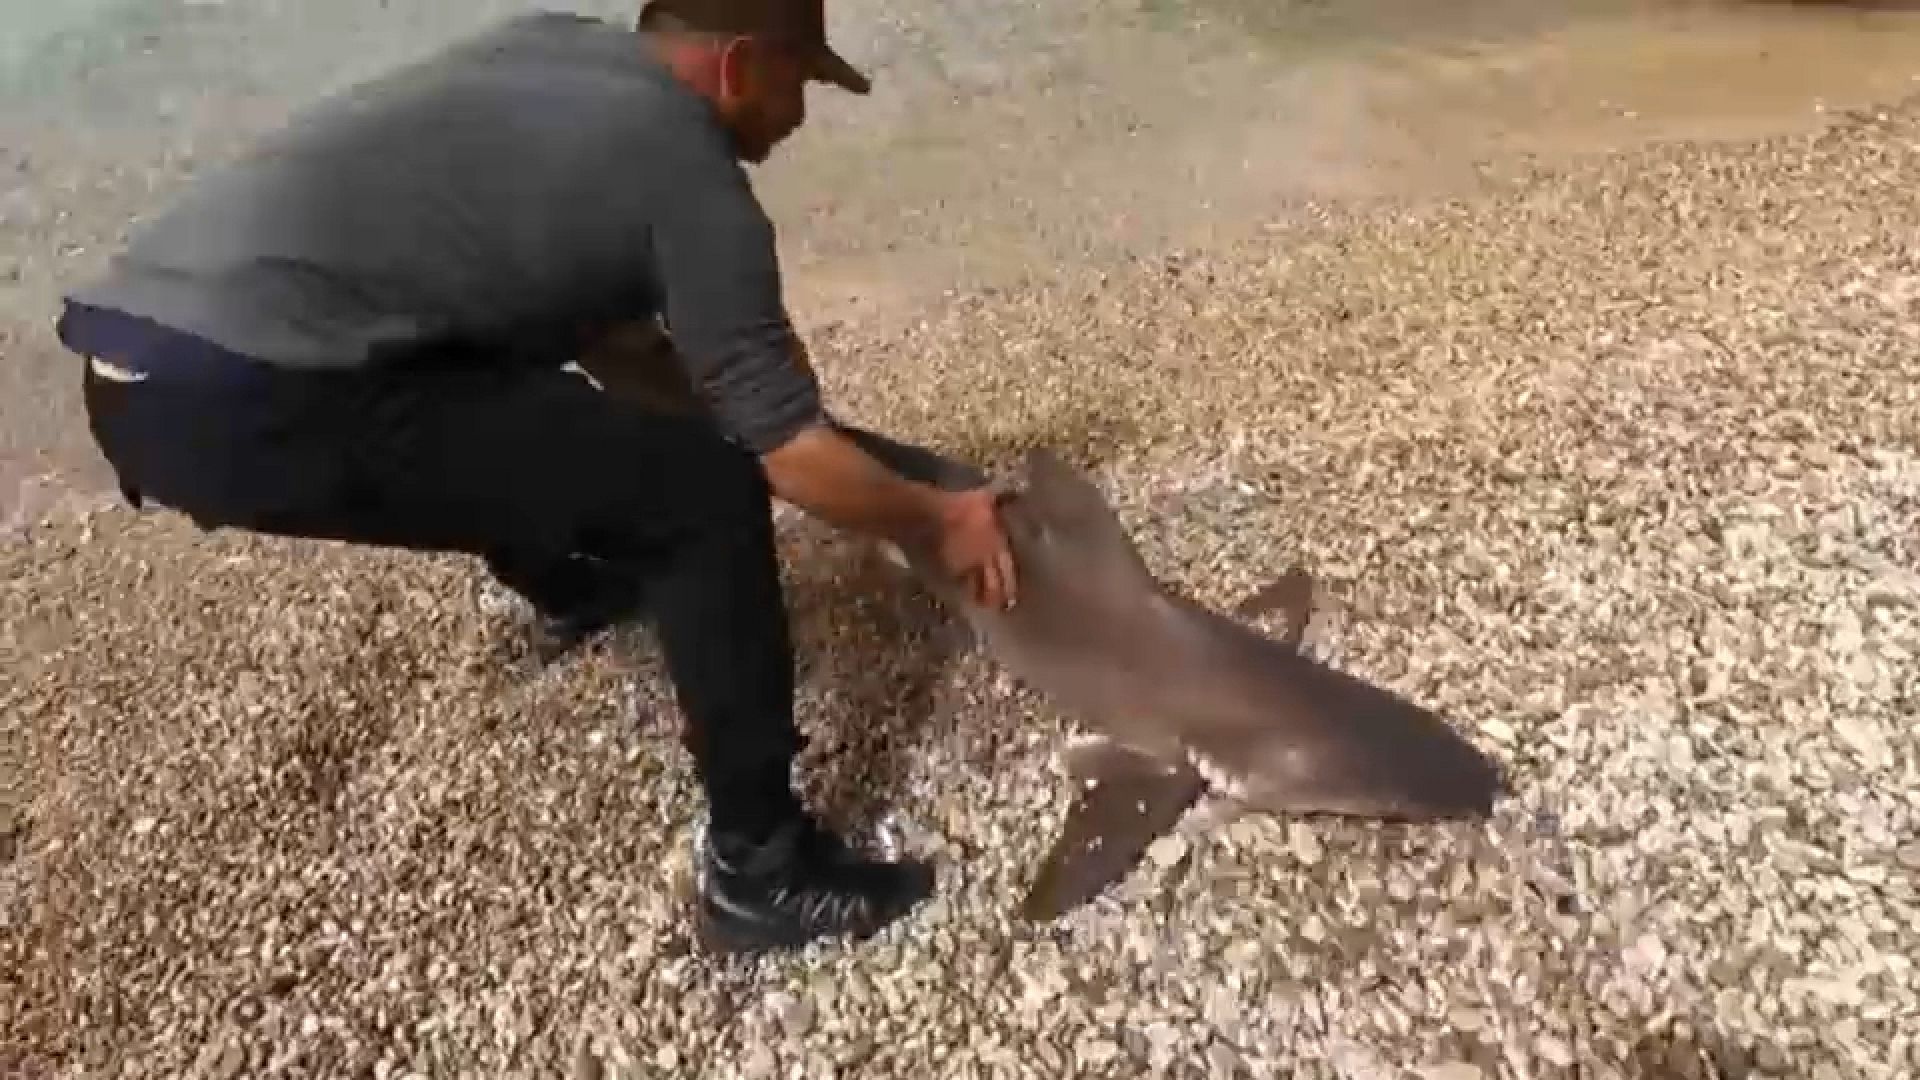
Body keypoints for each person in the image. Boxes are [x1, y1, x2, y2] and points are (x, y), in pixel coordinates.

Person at [52, 0, 1020, 955]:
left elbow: (614, 347)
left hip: (137, 365)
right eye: (798, 78)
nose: (801, 112)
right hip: (244, 403)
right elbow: (779, 458)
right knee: (702, 493)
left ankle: (571, 589)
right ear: (735, 67)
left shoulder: (549, 45)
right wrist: (938, 520)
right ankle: (760, 871)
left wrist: (819, 445)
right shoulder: (691, 176)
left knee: (525, 378)